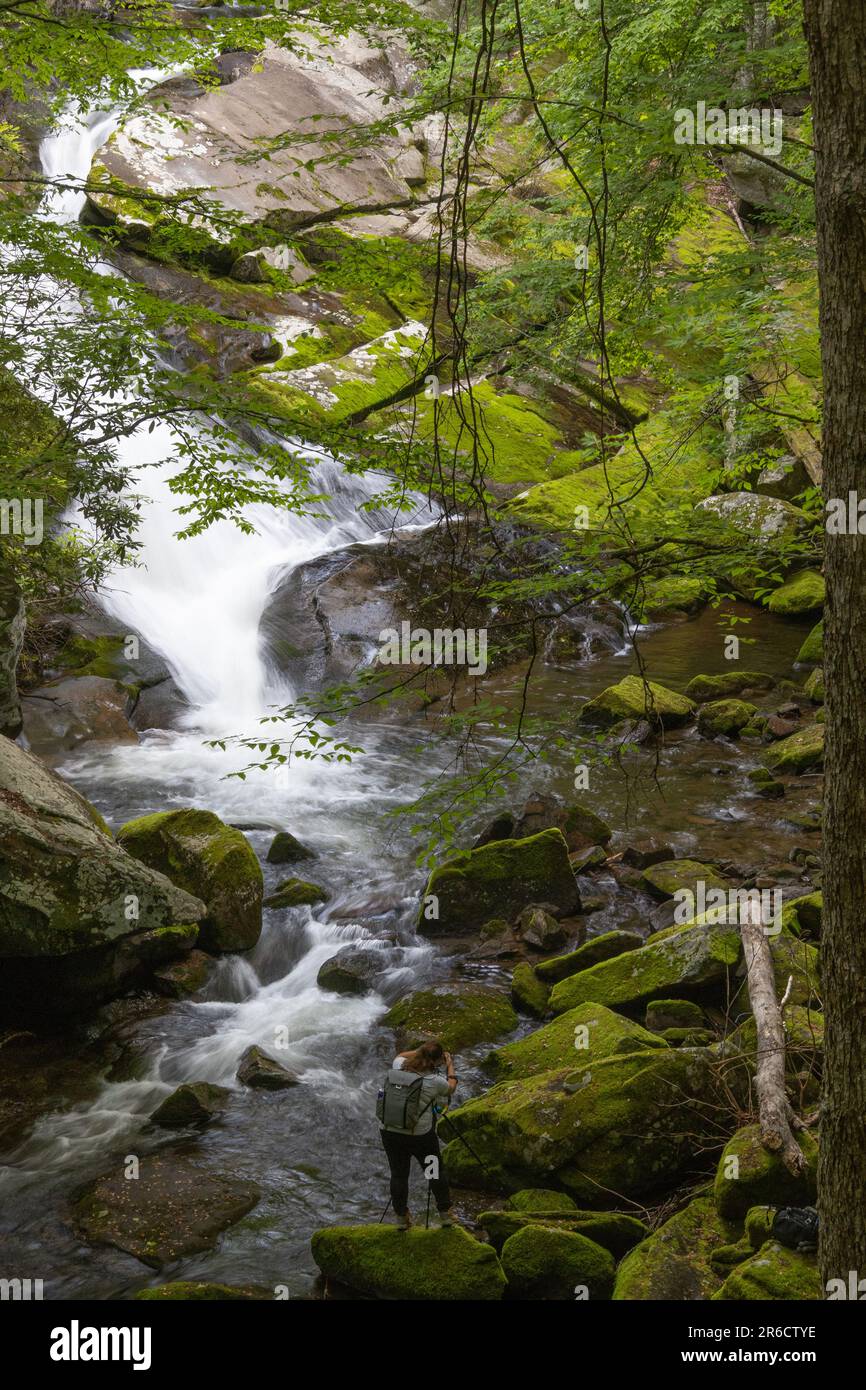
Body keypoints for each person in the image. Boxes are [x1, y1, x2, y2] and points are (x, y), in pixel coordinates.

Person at [379, 1039, 458, 1230]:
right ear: (436, 1061)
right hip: (420, 1137)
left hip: (390, 1132)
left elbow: (400, 1055)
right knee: (434, 1171)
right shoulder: (434, 1081)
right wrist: (449, 1064)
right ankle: (445, 1215)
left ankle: (401, 1219)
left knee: (399, 1175)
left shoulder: (398, 1067)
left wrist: (421, 1051)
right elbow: (451, 1087)